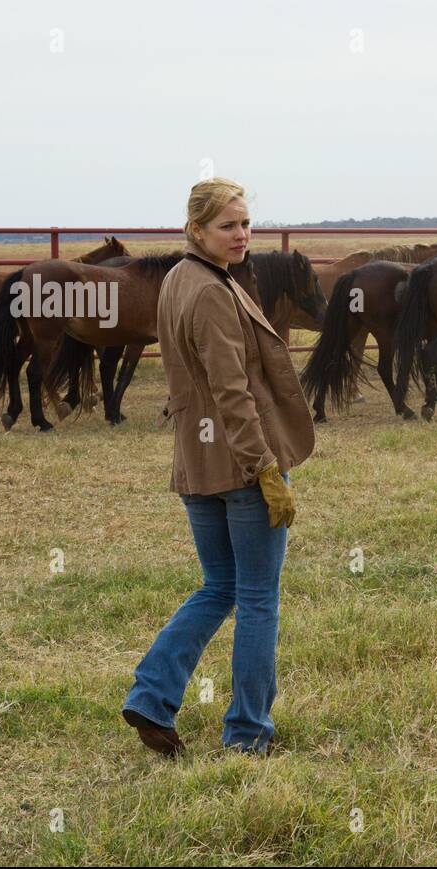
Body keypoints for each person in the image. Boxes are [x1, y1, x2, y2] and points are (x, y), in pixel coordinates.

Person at [122, 177, 315, 756]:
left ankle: (151, 696)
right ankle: (249, 732)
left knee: (219, 587)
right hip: (238, 467)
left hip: (197, 466)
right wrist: (264, 470)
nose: (241, 235)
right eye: (227, 225)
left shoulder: (179, 280)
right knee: (257, 597)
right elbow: (233, 394)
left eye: (245, 223)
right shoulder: (209, 291)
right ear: (196, 229)